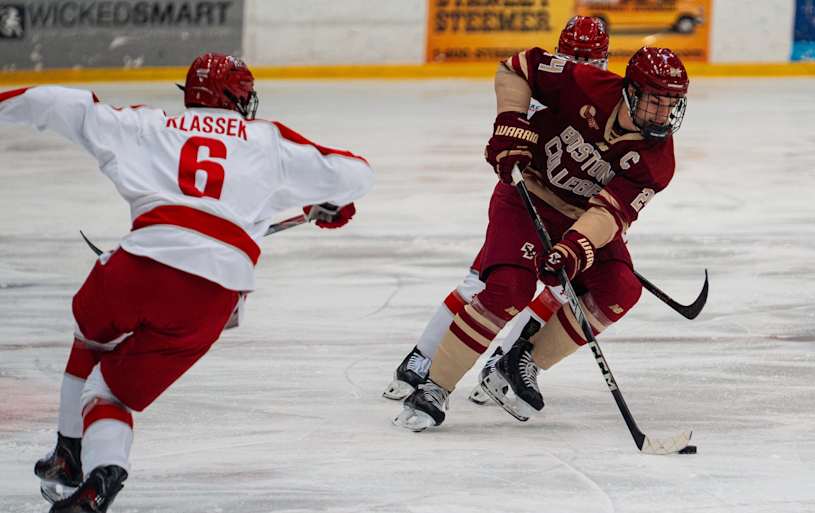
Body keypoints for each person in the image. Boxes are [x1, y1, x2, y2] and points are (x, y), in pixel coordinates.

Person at [0, 53, 374, 511]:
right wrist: (328, 197)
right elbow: (356, 173)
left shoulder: (149, 125)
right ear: (239, 96)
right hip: (211, 295)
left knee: (91, 337)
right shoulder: (267, 141)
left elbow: (60, 104)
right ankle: (101, 479)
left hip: (137, 267)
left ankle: (66, 455)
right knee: (111, 394)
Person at [393, 44, 689, 430]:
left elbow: (608, 214)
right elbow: (515, 67)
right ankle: (433, 389)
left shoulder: (657, 160)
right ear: (630, 91)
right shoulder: (587, 85)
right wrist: (510, 124)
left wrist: (574, 247)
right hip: (526, 193)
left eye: (671, 104)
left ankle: (517, 364)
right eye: (654, 102)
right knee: (508, 290)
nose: (663, 114)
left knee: (620, 288)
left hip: (580, 216)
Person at [382, 15, 611, 404]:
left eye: (590, 59)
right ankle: (421, 359)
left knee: (559, 287)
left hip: (573, 215)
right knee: (483, 283)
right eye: (574, 57)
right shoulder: (547, 91)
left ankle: (501, 364)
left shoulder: (610, 101)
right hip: (526, 202)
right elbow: (509, 129)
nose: (582, 67)